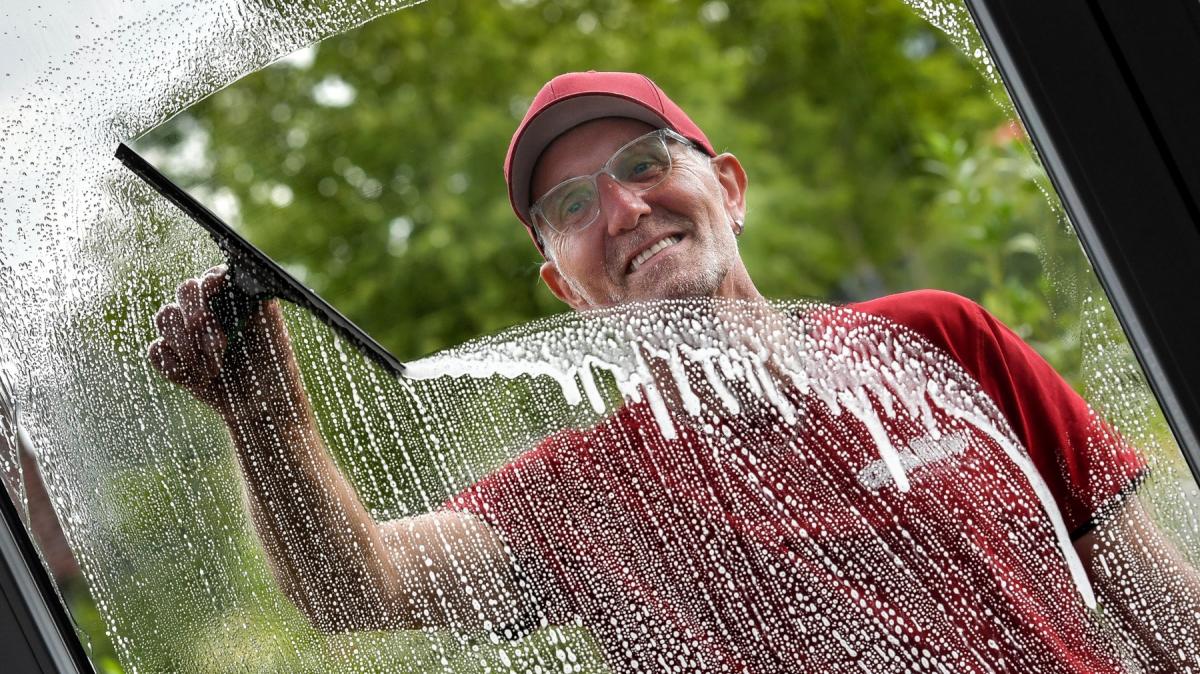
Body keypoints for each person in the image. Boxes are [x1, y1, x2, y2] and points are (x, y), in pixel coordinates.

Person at [149, 71, 1200, 672]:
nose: (620, 209)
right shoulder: (592, 495)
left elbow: (1159, 600)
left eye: (644, 163)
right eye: (568, 209)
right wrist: (262, 409)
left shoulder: (937, 338)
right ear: (565, 286)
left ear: (728, 187)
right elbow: (355, 585)